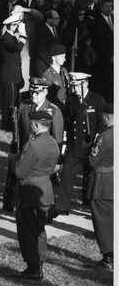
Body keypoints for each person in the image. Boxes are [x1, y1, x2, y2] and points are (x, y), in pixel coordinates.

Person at [11, 110, 59, 280]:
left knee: (28, 231)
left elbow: (19, 171)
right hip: (45, 189)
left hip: (29, 192)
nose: (29, 126)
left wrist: (15, 162)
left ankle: (33, 269)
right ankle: (38, 265)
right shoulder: (53, 142)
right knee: (39, 230)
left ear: (37, 125)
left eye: (31, 123)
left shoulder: (33, 145)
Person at [56, 72, 105, 215]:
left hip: (91, 145)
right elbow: (68, 122)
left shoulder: (97, 100)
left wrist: (97, 144)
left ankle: (89, 204)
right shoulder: (71, 100)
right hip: (74, 145)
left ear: (85, 83)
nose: (74, 89)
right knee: (66, 174)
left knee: (90, 176)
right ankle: (62, 207)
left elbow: (101, 124)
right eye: (73, 86)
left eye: (77, 86)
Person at [85, 104, 113, 270]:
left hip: (102, 183)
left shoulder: (105, 136)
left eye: (102, 116)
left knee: (102, 221)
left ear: (107, 117)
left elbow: (92, 160)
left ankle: (109, 256)